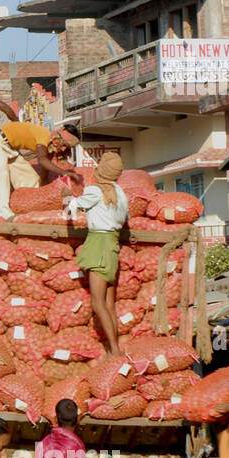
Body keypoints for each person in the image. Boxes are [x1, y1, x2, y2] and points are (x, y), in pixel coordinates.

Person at [63, 152, 129, 359]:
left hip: (99, 244)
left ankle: (115, 351)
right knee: (109, 304)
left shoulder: (94, 191)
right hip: (112, 245)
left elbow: (70, 212)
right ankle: (113, 349)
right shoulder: (121, 193)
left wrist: (66, 196)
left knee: (97, 303)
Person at [0, 121, 80, 219]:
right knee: (2, 176)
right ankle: (3, 215)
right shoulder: (44, 135)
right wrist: (63, 172)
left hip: (10, 149)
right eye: (64, 144)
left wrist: (44, 193)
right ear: (59, 136)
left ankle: (27, 210)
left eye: (66, 147)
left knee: (32, 180)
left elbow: (44, 172)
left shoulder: (50, 149)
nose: (63, 149)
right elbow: (42, 160)